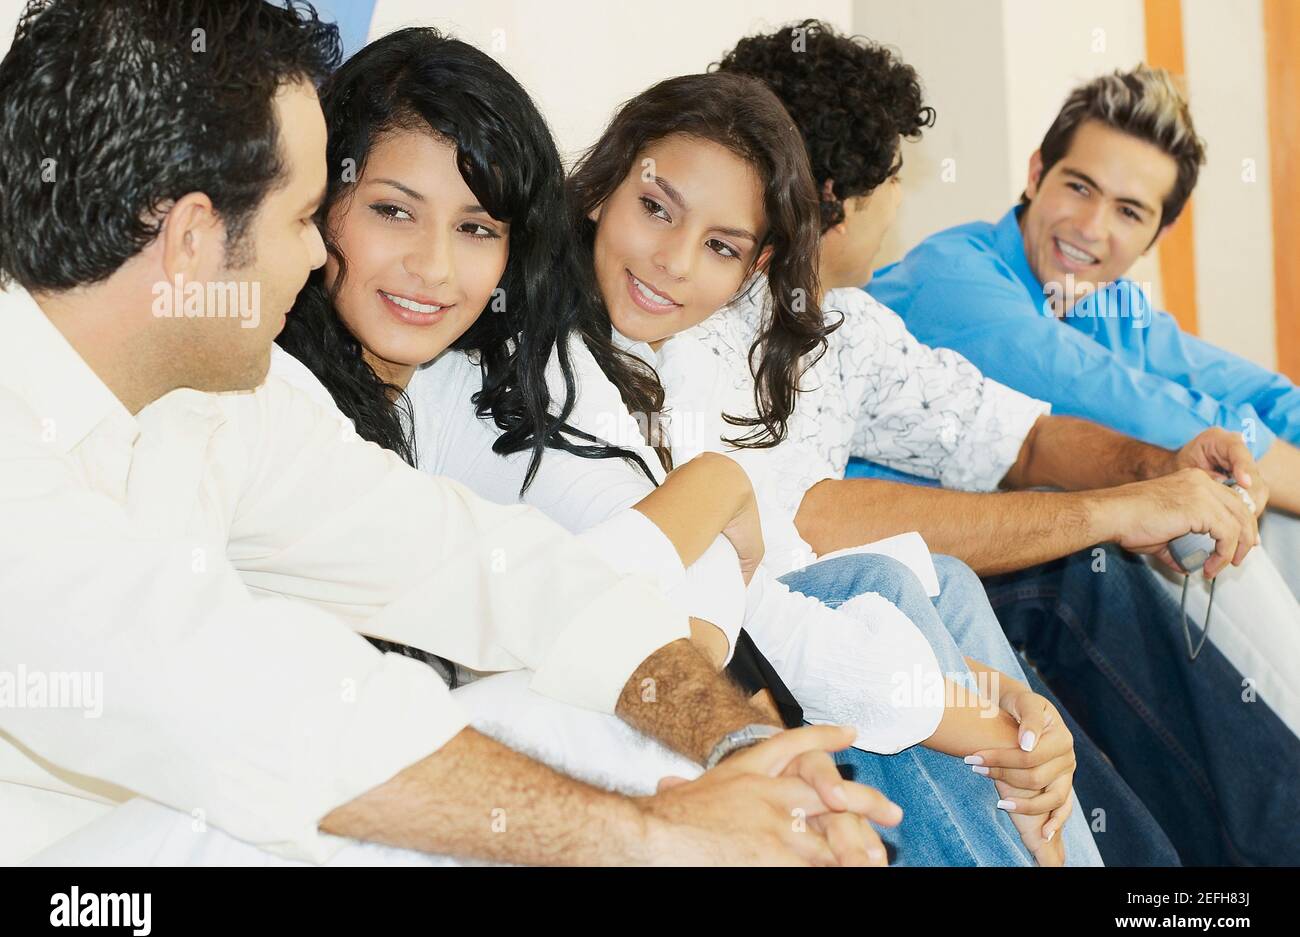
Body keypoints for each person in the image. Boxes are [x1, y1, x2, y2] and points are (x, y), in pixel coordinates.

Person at [0, 0, 897, 868]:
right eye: (308, 217)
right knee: (470, 775)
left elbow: (483, 566)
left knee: (583, 736)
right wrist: (662, 832)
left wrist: (736, 741)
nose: (318, 257)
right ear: (194, 238)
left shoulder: (224, 402)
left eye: (476, 228)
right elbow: (265, 718)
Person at [273, 34, 1105, 865]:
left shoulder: (642, 361)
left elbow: (741, 575)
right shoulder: (498, 374)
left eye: (476, 227)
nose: (433, 267)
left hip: (633, 692)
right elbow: (658, 610)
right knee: (878, 626)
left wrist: (973, 694)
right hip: (528, 750)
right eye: (393, 210)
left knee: (903, 607)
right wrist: (716, 491)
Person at [690, 19, 1300, 865]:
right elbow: (805, 525)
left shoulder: (843, 323)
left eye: (1130, 211)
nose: (1094, 226)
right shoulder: (723, 314)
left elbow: (1023, 438)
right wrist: (1123, 502)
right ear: (836, 200)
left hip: (902, 593)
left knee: (1102, 554)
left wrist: (1160, 469)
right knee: (1028, 571)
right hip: (798, 630)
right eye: (896, 180)